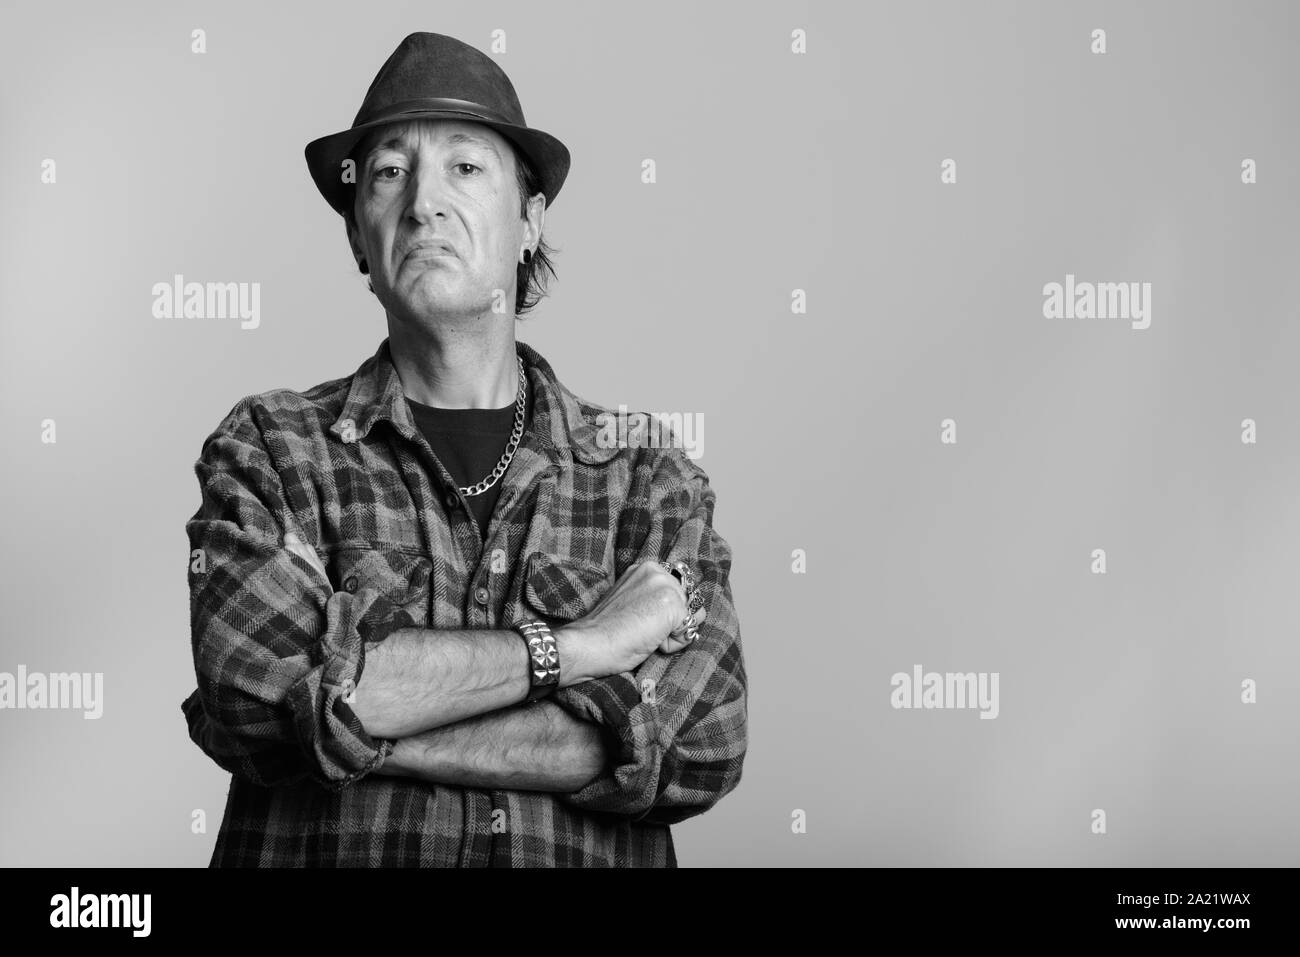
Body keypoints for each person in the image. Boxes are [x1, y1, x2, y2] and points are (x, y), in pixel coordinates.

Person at [180, 31, 748, 867]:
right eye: (387, 171)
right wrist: (585, 647)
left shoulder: (647, 476)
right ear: (357, 240)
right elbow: (258, 694)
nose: (422, 203)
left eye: (465, 167)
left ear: (530, 222)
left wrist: (362, 720)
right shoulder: (270, 450)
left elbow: (700, 739)